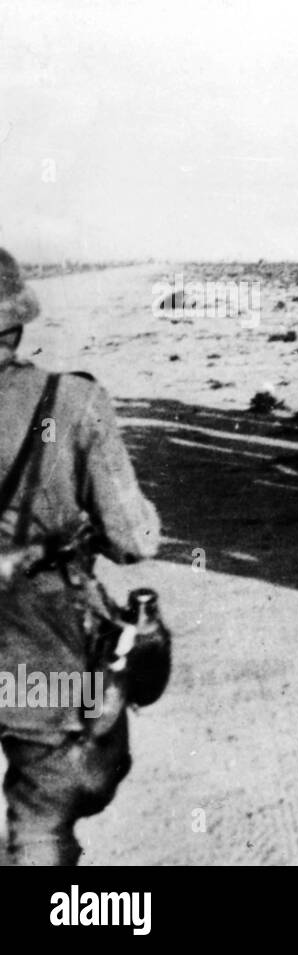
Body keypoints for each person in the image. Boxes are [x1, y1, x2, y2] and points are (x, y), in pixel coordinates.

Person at [0, 248, 161, 864]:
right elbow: (134, 540)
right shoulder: (71, 403)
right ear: (17, 323)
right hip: (39, 643)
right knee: (46, 815)